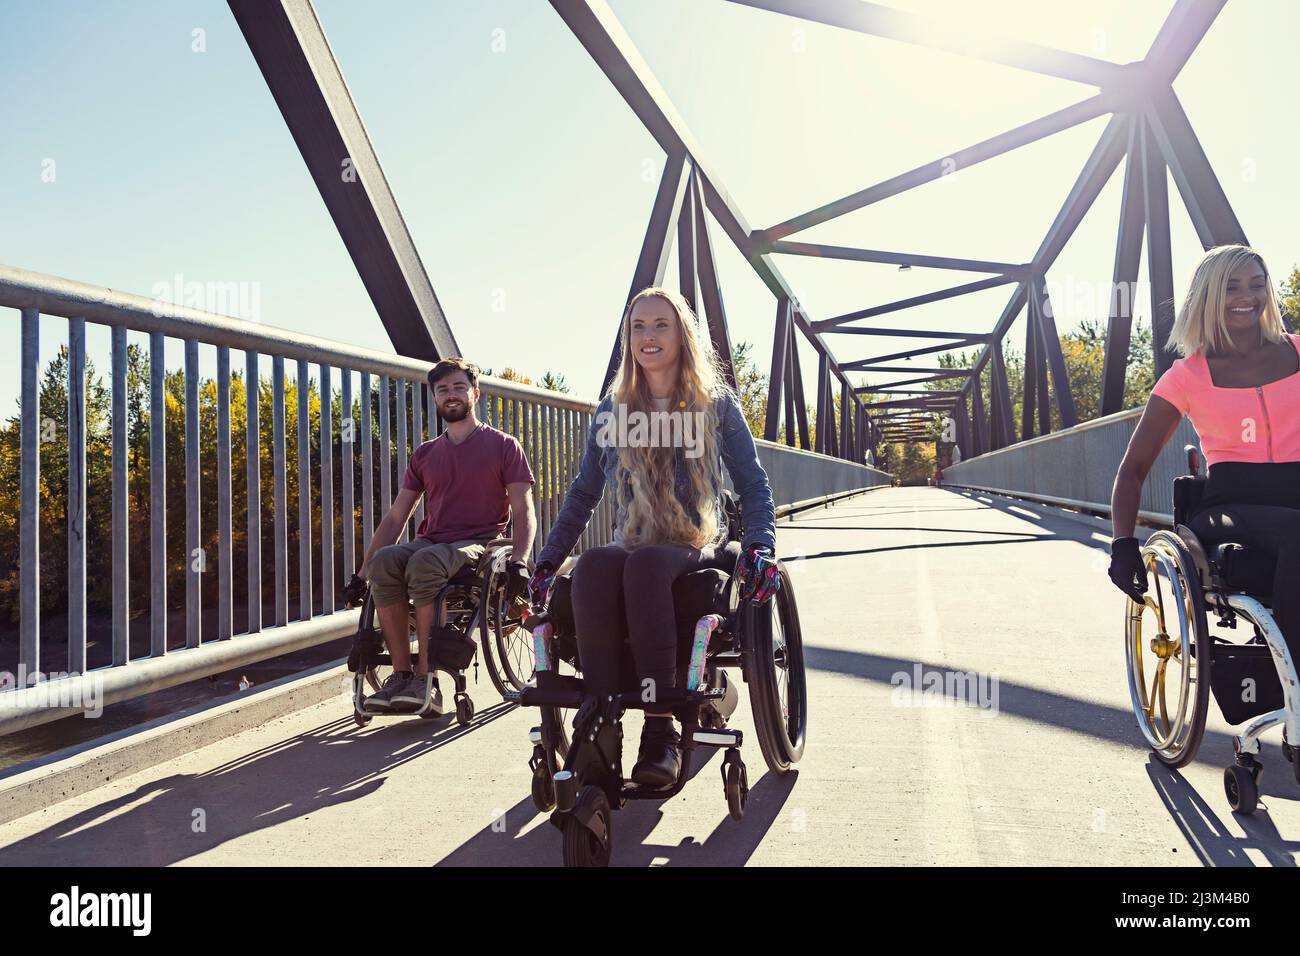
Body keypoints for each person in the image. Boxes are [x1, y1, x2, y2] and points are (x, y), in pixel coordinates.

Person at [529, 286, 780, 788]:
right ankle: (602, 724)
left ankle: (660, 727)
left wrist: (762, 546)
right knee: (595, 565)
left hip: (693, 540)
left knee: (645, 567)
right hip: (633, 539)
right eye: (638, 327)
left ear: (682, 335)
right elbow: (584, 494)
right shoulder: (611, 411)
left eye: (660, 325)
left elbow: (753, 483)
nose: (648, 336)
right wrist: (548, 559)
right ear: (629, 338)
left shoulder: (715, 405)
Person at [1108, 244, 1300, 663]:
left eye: (1256, 284)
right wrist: (1122, 544)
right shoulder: (1187, 377)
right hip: (1230, 506)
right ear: (1209, 296)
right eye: (1231, 288)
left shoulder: (1299, 351)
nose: (1246, 297)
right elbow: (1133, 467)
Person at [341, 358, 536, 713]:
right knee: (386, 562)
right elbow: (397, 516)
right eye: (443, 390)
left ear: (475, 393)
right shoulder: (426, 454)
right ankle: (402, 676)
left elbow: (524, 511)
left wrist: (520, 561)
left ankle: (426, 677)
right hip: (432, 541)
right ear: (434, 397)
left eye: (459, 387)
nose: (452, 395)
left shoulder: (505, 446)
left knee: (424, 562)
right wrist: (361, 574)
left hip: (482, 541)